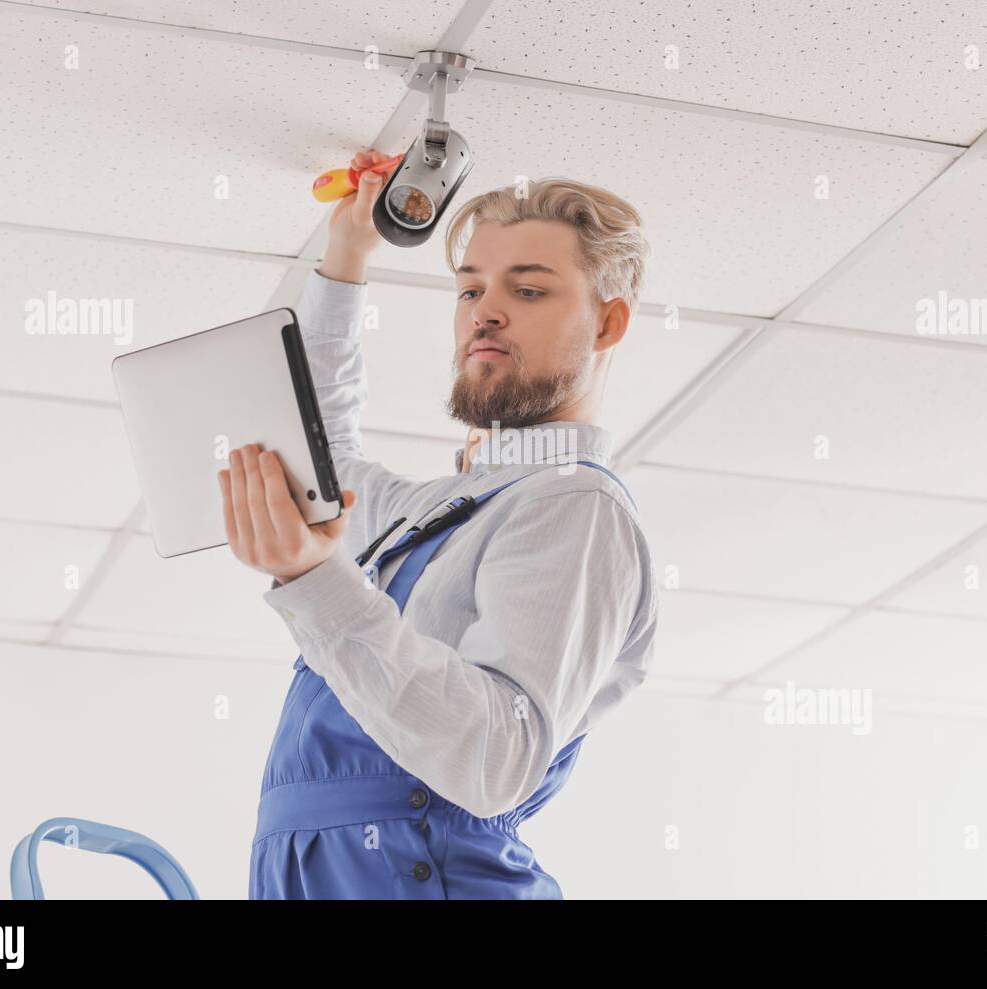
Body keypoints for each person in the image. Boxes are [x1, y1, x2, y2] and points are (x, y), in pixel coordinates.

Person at [218, 148, 659, 898]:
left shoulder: (573, 506)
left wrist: (313, 578)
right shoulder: (435, 513)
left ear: (608, 322)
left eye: (527, 289)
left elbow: (496, 759)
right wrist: (350, 251)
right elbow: (317, 450)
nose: (485, 310)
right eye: (469, 288)